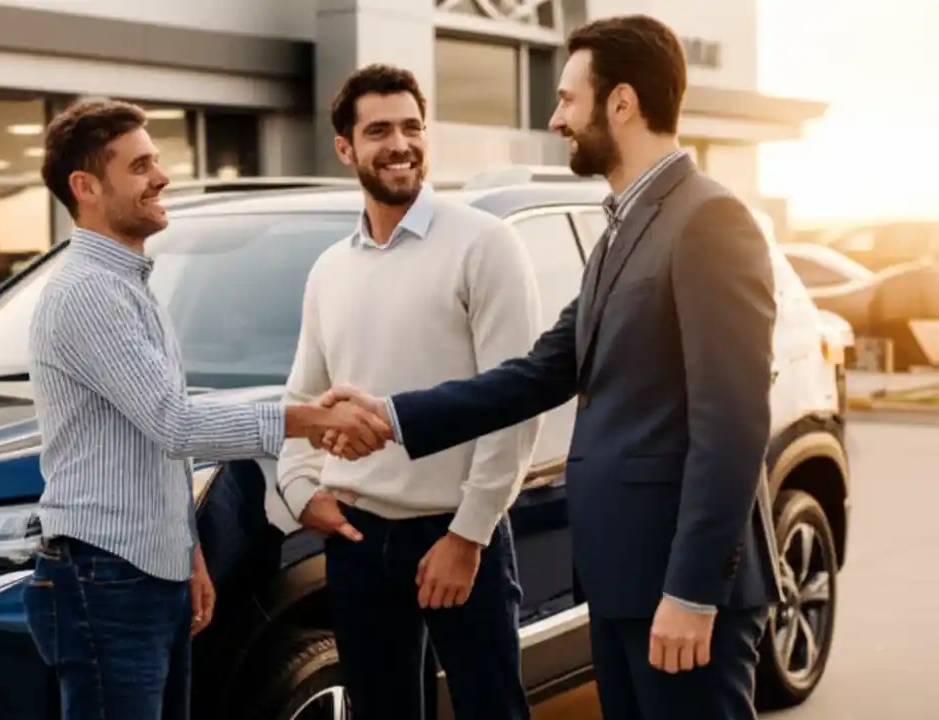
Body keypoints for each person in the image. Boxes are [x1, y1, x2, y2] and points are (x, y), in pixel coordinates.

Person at [321, 15, 782, 720]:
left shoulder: (708, 221)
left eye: (569, 98)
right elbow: (537, 374)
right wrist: (388, 415)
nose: (557, 117)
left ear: (621, 103)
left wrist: (692, 593)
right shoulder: (625, 225)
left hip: (676, 591)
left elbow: (734, 428)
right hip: (625, 581)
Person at [23, 99, 394, 720]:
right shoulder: (87, 294)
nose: (161, 177)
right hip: (106, 583)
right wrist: (305, 418)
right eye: (140, 166)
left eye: (156, 161)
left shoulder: (129, 287)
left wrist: (185, 552)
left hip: (141, 573)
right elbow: (175, 423)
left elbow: (153, 443)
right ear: (85, 187)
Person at [277, 64, 543, 720]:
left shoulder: (484, 244)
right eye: (379, 131)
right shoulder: (329, 269)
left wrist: (468, 535)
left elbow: (514, 403)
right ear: (346, 148)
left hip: (454, 533)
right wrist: (300, 488)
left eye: (412, 127)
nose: (400, 143)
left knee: (491, 709)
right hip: (357, 539)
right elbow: (302, 397)